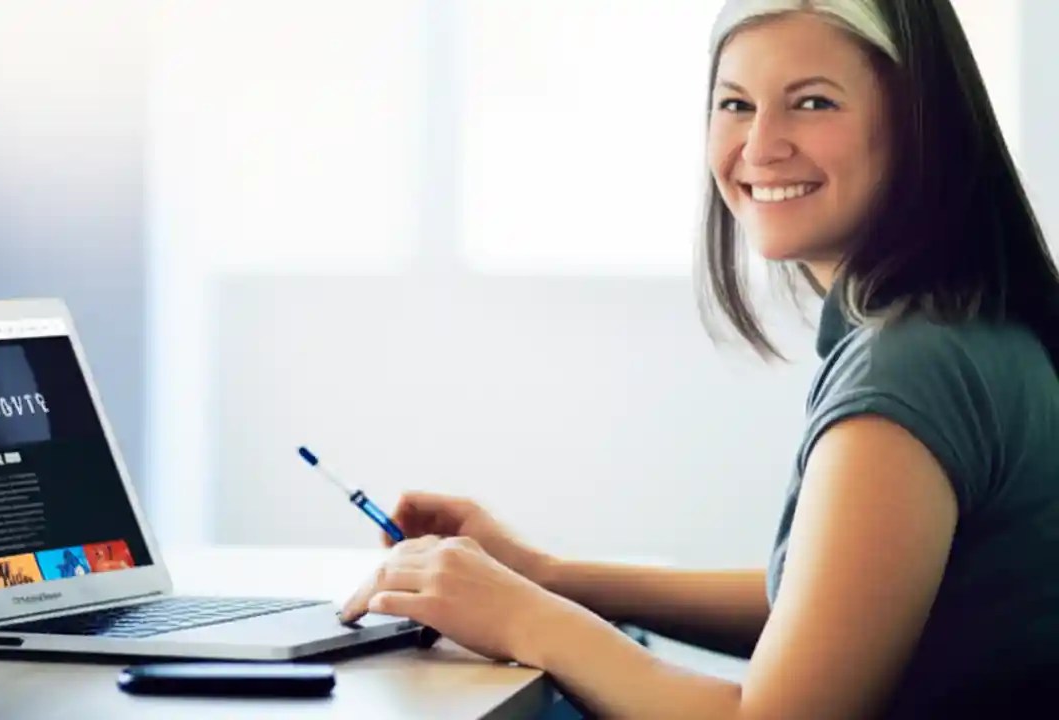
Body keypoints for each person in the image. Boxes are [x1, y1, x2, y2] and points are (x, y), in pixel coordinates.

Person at [336, 1, 1059, 717]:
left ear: (920, 123)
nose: (761, 145)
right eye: (736, 104)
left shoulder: (909, 368)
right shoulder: (962, 323)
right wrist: (545, 575)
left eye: (813, 102)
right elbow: (828, 604)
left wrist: (519, 616)